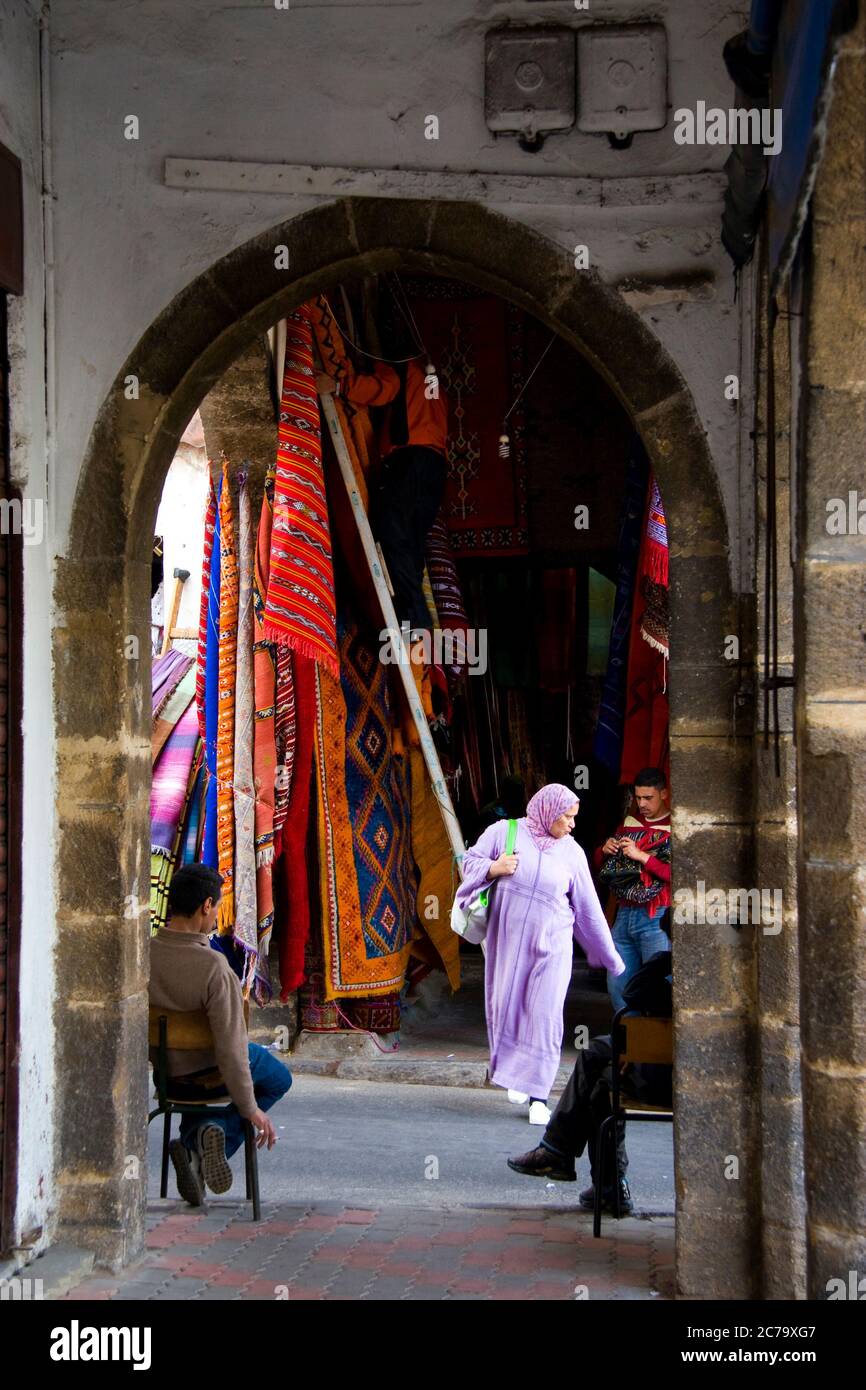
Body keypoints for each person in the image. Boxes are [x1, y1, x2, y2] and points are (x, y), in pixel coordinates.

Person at [455, 783, 625, 1126]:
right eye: (567, 817)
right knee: (508, 1009)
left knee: (545, 1017)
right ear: (548, 811)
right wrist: (494, 869)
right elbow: (469, 861)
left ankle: (538, 1097)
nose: (572, 825)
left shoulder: (573, 853)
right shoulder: (505, 832)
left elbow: (589, 910)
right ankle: (515, 1075)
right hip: (508, 944)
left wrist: (609, 956)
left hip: (553, 948)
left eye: (575, 818)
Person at [149, 864, 292, 1206]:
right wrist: (250, 1108)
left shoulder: (144, 954)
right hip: (213, 1075)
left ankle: (196, 1143)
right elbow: (231, 1050)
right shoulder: (214, 968)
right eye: (217, 907)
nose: (216, 916)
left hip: (170, 1079)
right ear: (206, 905)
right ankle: (211, 1138)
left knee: (200, 1075)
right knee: (278, 1078)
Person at [507, 950, 673, 1216]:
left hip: (664, 1077)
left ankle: (562, 1153)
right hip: (657, 1067)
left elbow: (633, 992)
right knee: (598, 1068)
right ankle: (607, 1185)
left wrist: (665, 957)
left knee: (600, 1074)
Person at [317, 349, 448, 637]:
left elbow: (384, 389)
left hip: (410, 459)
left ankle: (414, 619)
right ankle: (412, 620)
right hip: (435, 465)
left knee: (391, 532)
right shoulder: (433, 379)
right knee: (411, 540)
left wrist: (339, 386)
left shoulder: (402, 364)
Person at [595, 767, 672, 1012]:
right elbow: (602, 866)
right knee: (618, 984)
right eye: (638, 797)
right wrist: (604, 849)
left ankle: (655, 1045)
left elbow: (676, 874)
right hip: (624, 914)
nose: (642, 804)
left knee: (659, 984)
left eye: (648, 798)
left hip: (656, 916)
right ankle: (629, 1041)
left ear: (664, 794)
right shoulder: (629, 823)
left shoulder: (675, 824)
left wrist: (642, 856)